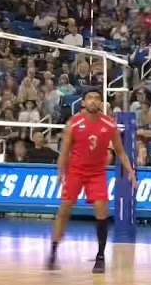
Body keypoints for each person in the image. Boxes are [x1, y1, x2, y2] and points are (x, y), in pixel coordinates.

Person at [48, 90, 137, 273]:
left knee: (101, 209)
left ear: (101, 103)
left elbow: (120, 152)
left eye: (97, 98)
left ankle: (101, 256)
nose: (93, 101)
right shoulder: (73, 123)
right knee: (64, 209)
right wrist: (60, 171)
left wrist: (131, 172)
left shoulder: (109, 124)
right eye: (90, 98)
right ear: (83, 102)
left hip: (96, 172)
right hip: (75, 171)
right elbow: (64, 151)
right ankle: (53, 251)